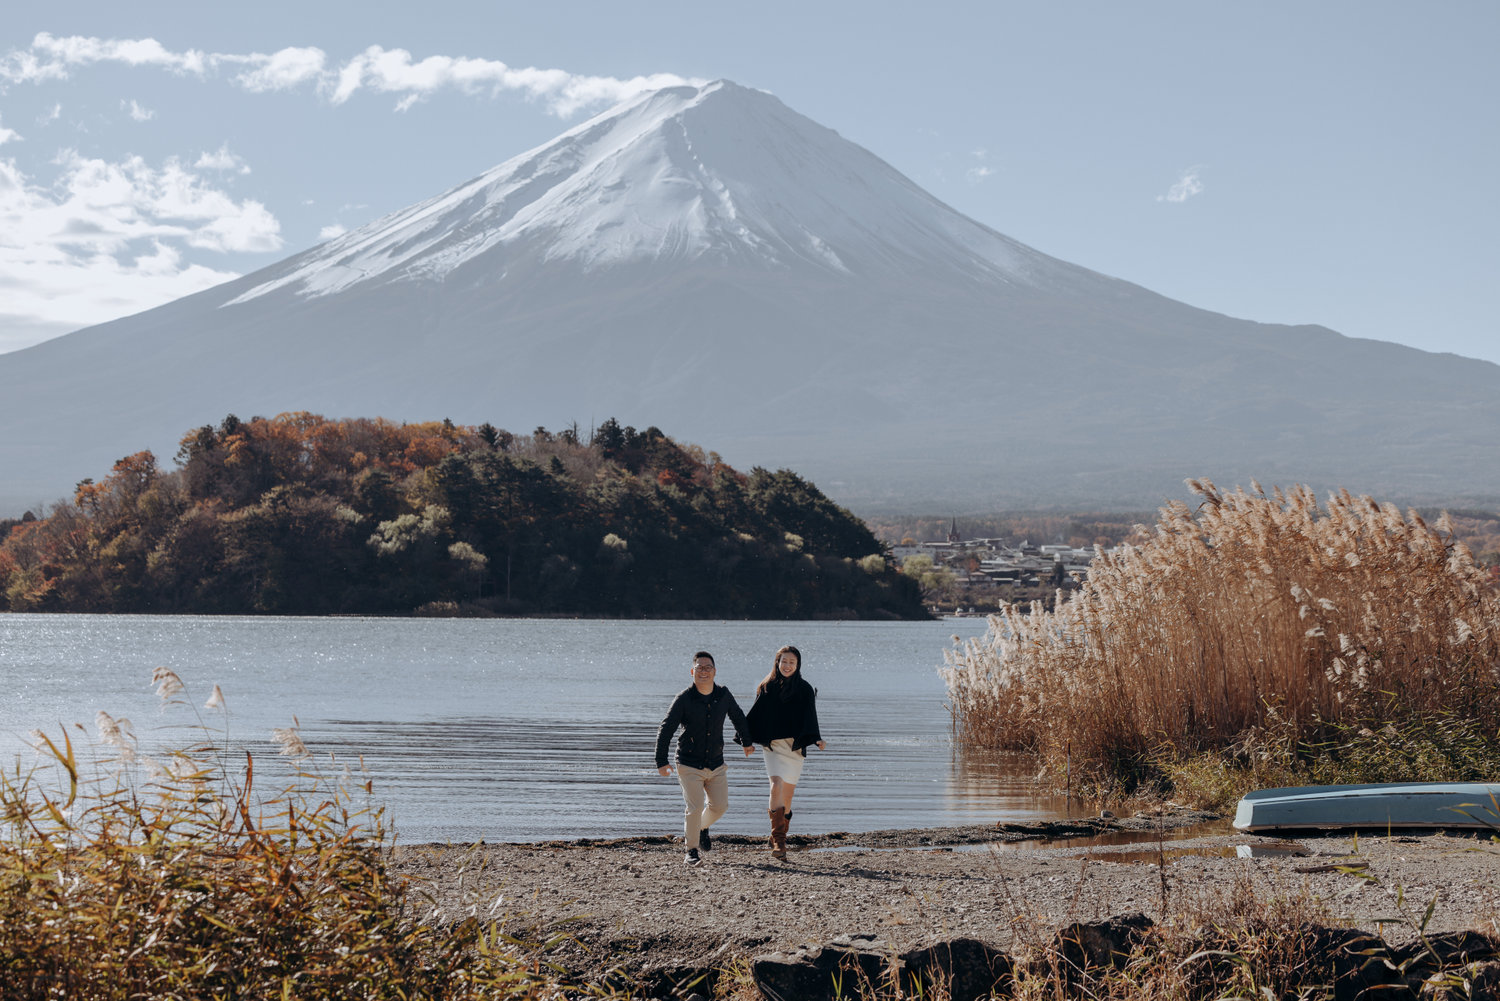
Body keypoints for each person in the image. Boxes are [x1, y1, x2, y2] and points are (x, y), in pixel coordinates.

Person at [655, 650, 753, 865]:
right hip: (688, 764)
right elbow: (667, 728)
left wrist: (746, 742)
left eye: (708, 668)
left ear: (715, 672)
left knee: (720, 806)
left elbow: (738, 717)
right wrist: (661, 761)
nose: (704, 672)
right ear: (692, 671)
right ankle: (691, 851)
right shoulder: (683, 699)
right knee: (695, 806)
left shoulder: (723, 695)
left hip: (716, 763)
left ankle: (700, 827)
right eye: (699, 668)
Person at [744, 644, 824, 860]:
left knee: (786, 800)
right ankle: (779, 840)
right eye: (784, 661)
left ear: (798, 665)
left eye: (792, 662)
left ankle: (778, 832)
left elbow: (810, 716)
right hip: (773, 747)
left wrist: (816, 738)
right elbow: (755, 716)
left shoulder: (805, 689)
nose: (787, 666)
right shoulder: (766, 686)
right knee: (775, 786)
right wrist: (747, 741)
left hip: (794, 748)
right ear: (777, 663)